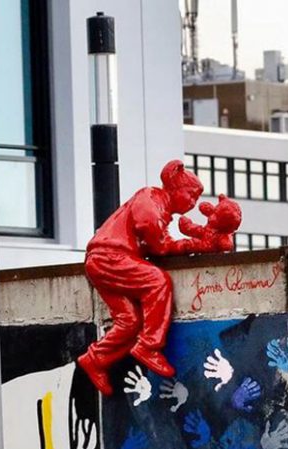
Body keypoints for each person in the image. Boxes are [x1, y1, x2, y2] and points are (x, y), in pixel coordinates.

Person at [76, 160, 207, 395]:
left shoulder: (159, 208)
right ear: (176, 190)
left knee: (129, 321)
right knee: (158, 281)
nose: (193, 203)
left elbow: (157, 243)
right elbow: (155, 238)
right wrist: (191, 244)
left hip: (102, 260)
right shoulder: (151, 197)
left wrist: (190, 244)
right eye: (191, 196)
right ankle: (149, 345)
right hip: (111, 256)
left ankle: (95, 358)